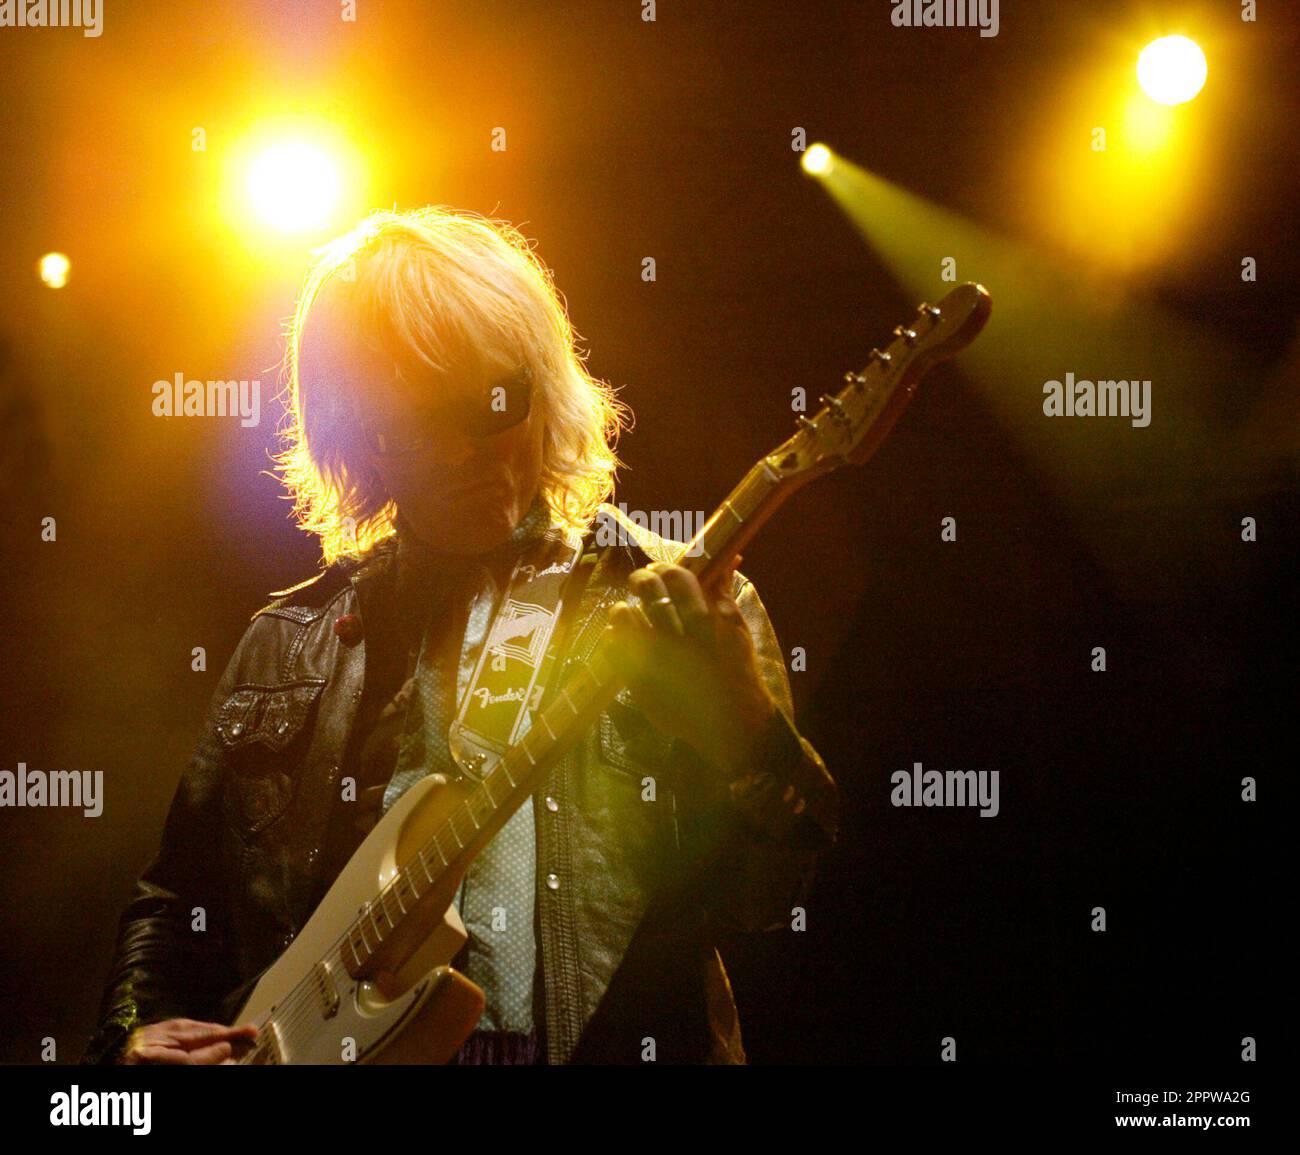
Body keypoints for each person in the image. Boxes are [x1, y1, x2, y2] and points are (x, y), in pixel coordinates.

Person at [80, 206, 839, 1066]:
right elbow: (180, 899)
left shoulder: (686, 603)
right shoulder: (288, 641)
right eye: (407, 424)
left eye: (489, 404)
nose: (455, 453)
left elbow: (769, 899)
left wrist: (737, 721)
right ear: (355, 443)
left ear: (544, 386)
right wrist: (129, 1035)